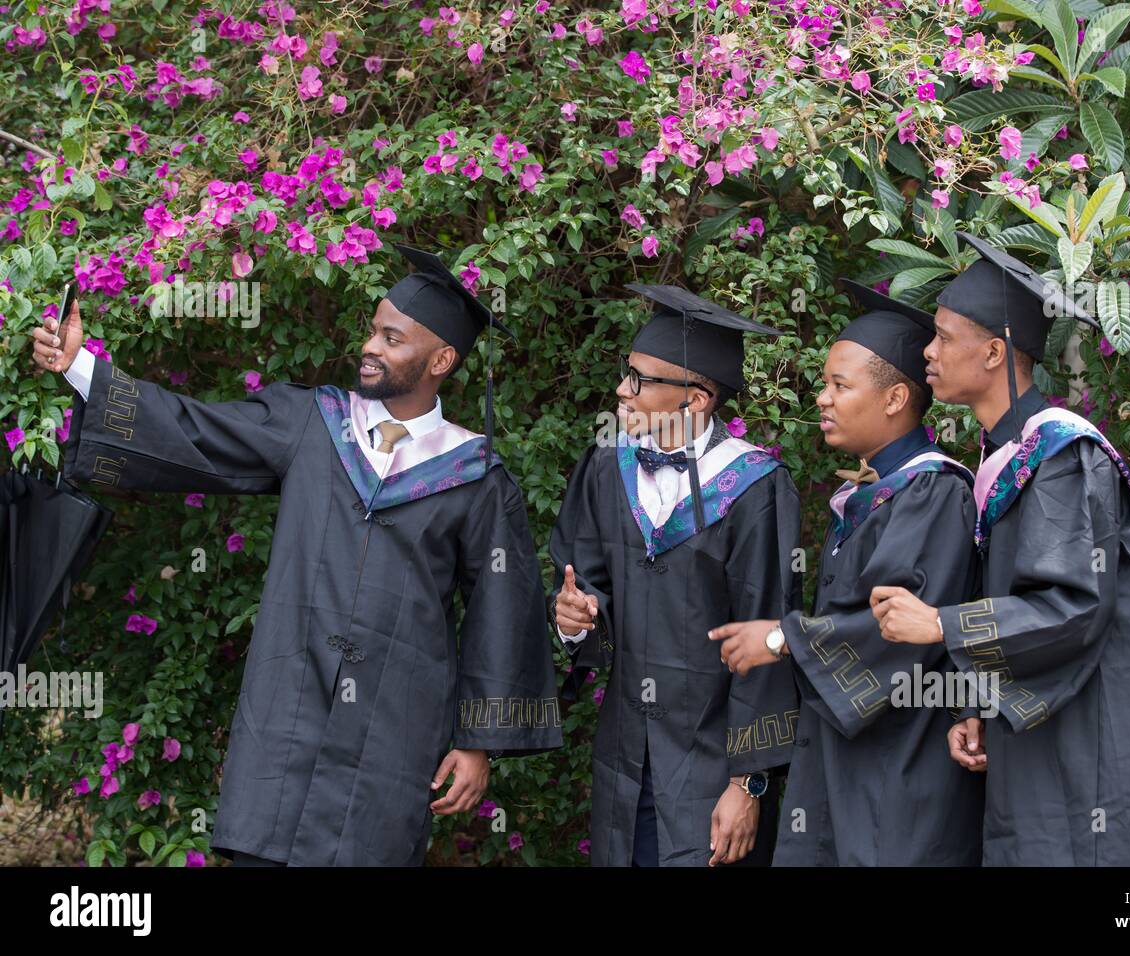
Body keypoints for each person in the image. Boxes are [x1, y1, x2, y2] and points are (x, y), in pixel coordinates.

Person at [29, 242, 562, 866]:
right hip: (288, 710)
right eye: (373, 330)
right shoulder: (313, 422)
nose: (371, 346)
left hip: (393, 728)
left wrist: (478, 744)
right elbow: (197, 430)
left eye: (393, 339)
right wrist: (81, 369)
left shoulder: (475, 475)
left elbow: (503, 612)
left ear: (441, 359)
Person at [869, 231, 1130, 866]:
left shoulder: (1060, 458)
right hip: (1041, 731)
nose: (927, 353)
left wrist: (939, 624)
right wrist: (978, 702)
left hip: (1089, 737)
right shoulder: (1008, 458)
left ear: (994, 352)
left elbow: (1070, 608)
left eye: (942, 337)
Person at [710, 281, 984, 865]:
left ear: (893, 399)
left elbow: (896, 629)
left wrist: (783, 638)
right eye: (824, 384)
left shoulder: (933, 492)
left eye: (840, 385)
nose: (822, 399)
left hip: (901, 773)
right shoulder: (872, 492)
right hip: (844, 763)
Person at [549, 283, 800, 867]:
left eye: (639, 380)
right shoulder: (608, 468)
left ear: (695, 401)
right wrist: (574, 623)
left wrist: (750, 782)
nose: (621, 391)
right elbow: (586, 591)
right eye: (625, 372)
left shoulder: (755, 489)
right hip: (624, 760)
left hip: (712, 767)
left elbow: (770, 636)